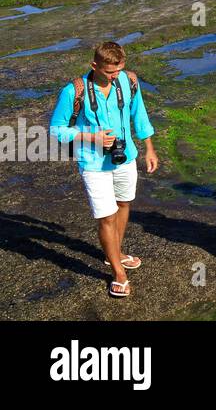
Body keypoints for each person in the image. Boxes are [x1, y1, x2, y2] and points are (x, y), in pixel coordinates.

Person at [49, 41, 159, 298]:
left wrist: (150, 148)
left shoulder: (128, 81)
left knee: (123, 205)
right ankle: (119, 274)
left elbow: (139, 115)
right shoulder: (73, 91)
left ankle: (116, 254)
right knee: (106, 216)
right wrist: (92, 137)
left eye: (119, 70)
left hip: (126, 156)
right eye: (110, 72)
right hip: (93, 163)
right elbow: (56, 129)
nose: (115, 76)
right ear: (94, 66)